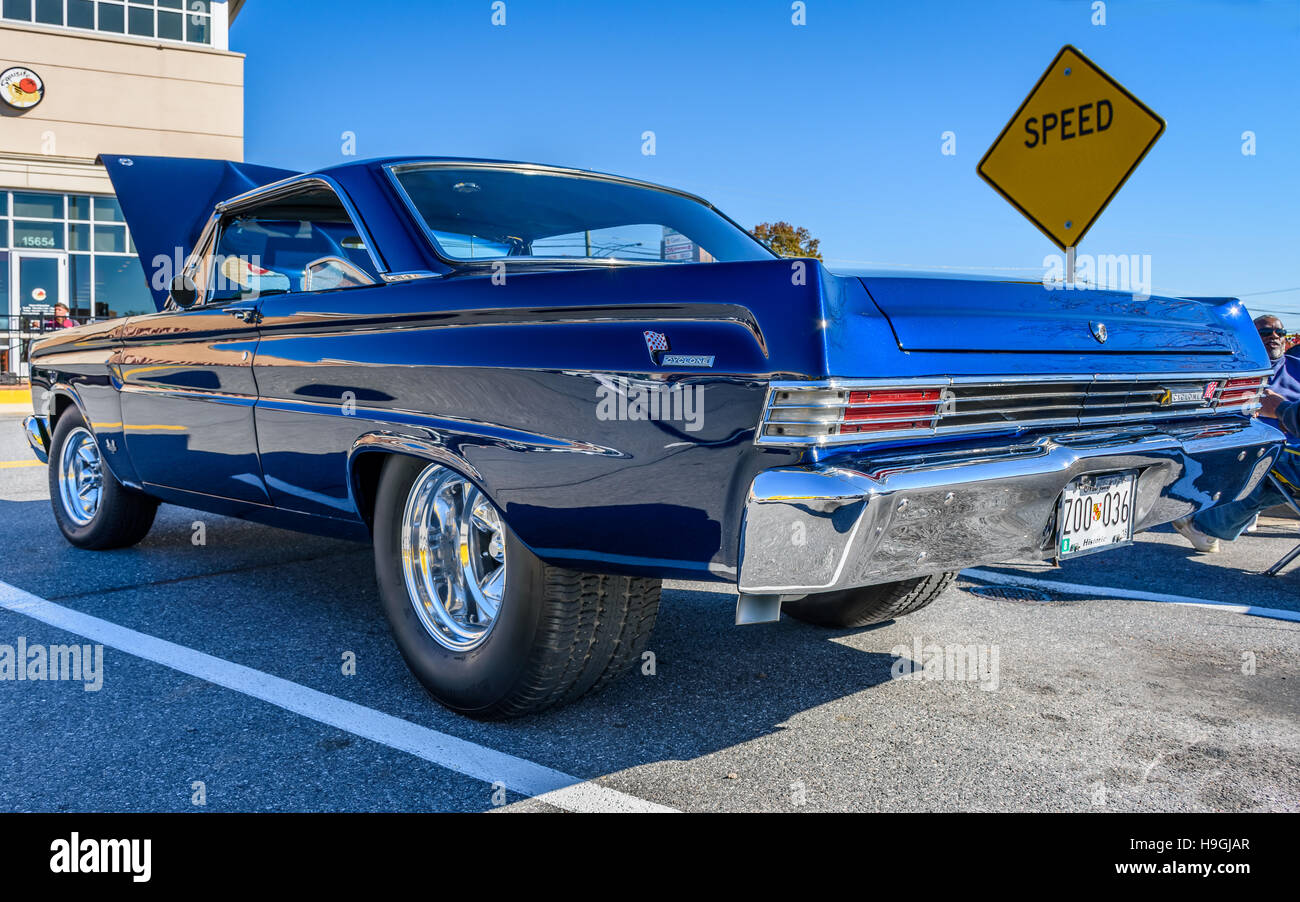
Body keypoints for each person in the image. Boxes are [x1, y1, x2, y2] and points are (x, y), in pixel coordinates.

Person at [1173, 315, 1299, 552]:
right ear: (1250, 338)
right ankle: (1220, 518)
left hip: (1289, 451)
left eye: (1279, 333)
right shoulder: (1236, 370)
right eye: (1265, 332)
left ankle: (1214, 524)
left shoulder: (1296, 366)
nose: (1274, 337)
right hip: (1253, 443)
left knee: (1273, 468)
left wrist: (1283, 412)